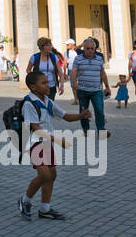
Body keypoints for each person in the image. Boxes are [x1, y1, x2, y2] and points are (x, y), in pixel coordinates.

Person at [17, 69, 91, 220]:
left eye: (48, 82)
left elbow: (66, 116)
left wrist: (81, 115)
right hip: (35, 143)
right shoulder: (29, 104)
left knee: (52, 175)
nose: (48, 86)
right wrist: (59, 141)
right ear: (33, 87)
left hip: (46, 142)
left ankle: (45, 209)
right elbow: (36, 129)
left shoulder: (48, 101)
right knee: (44, 175)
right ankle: (24, 201)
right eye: (43, 83)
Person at [69, 36, 110, 138]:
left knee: (99, 111)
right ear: (84, 48)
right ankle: (86, 129)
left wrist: (107, 86)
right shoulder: (78, 58)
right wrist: (74, 83)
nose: (90, 51)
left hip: (96, 90)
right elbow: (74, 71)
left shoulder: (99, 59)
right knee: (83, 111)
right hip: (82, 90)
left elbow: (103, 73)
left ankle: (101, 130)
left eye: (92, 48)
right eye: (88, 48)